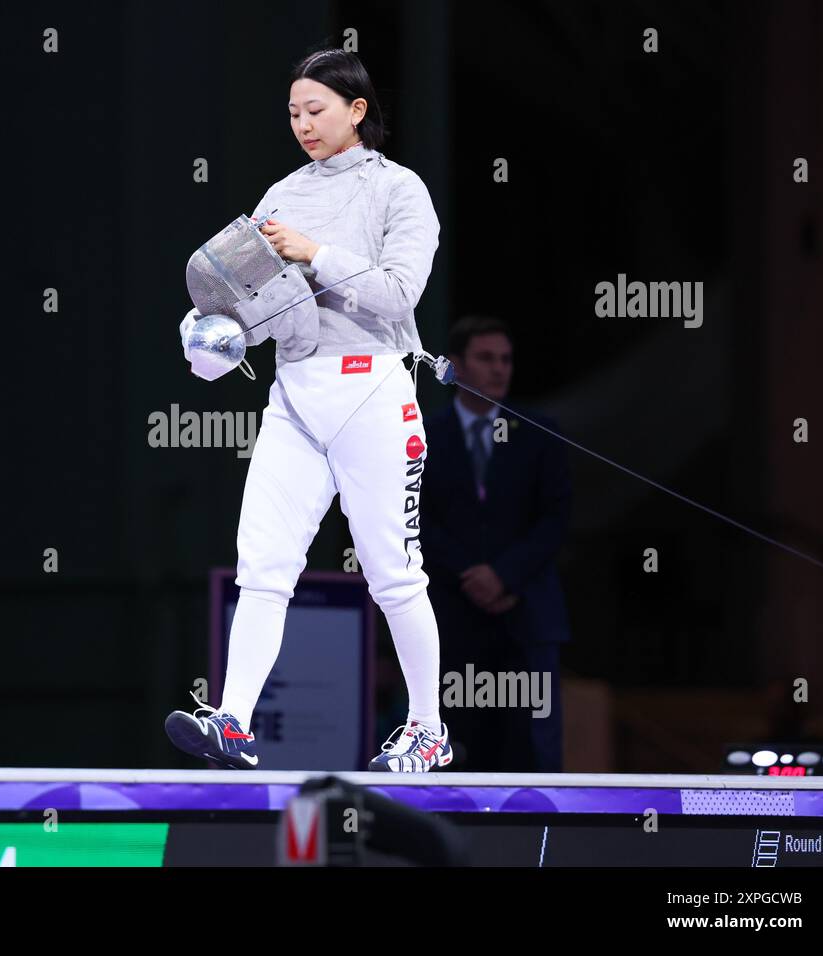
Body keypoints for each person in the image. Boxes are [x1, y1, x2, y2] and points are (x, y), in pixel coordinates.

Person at [165, 48, 449, 772]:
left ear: (357, 109)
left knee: (393, 572)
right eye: (293, 113)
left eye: (316, 110)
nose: (303, 125)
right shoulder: (279, 195)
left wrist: (315, 251)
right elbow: (258, 312)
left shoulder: (400, 191)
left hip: (373, 390)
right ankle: (233, 720)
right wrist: (215, 338)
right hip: (295, 393)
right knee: (262, 565)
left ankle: (427, 728)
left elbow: (397, 295)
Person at [418, 315, 572, 771]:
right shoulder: (424, 434)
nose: (499, 369)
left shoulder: (540, 434)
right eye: (486, 358)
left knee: (534, 752)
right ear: (456, 365)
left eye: (505, 359)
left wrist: (504, 575)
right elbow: (414, 520)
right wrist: (469, 574)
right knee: (458, 751)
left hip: (526, 616)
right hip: (453, 616)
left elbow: (555, 518)